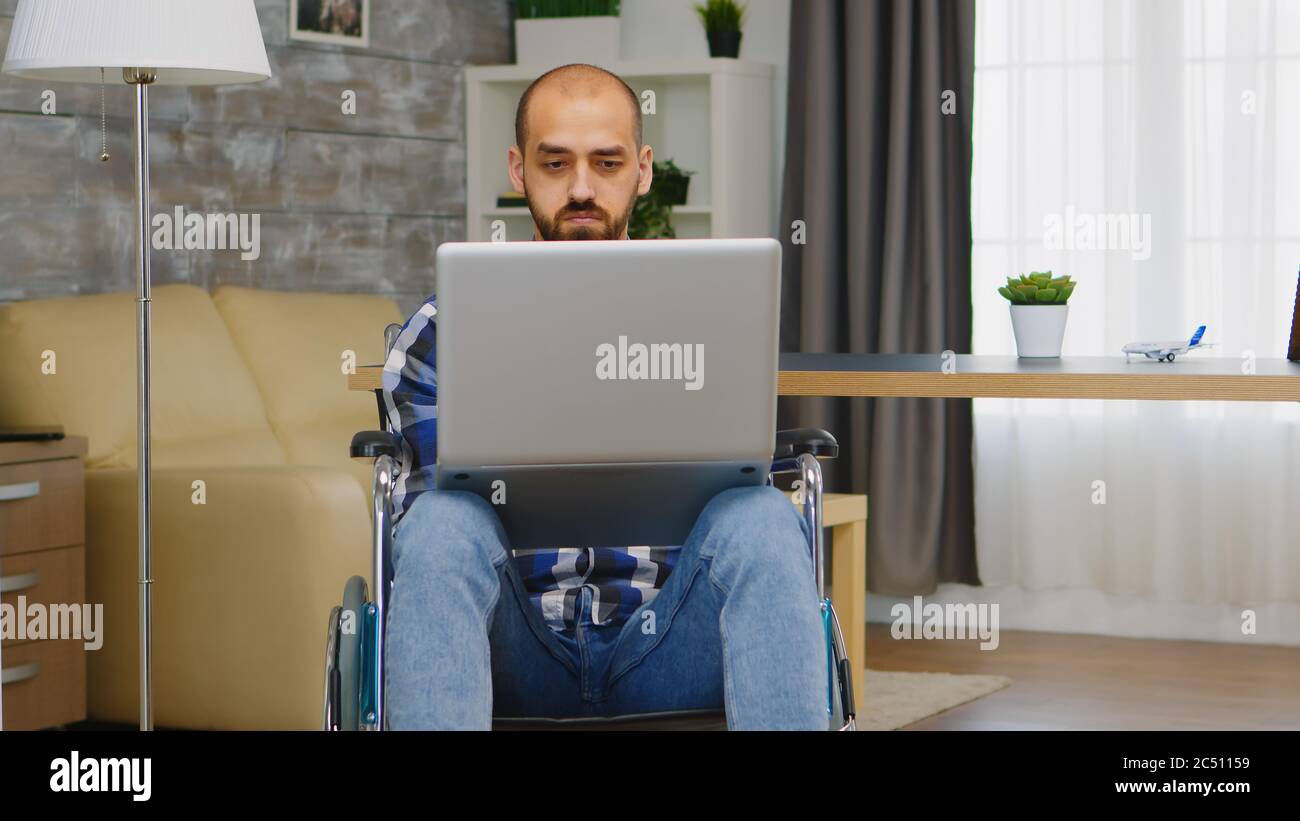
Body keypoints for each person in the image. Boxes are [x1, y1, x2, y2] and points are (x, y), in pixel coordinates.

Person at [382, 63, 827, 730]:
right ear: (517, 169)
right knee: (440, 524)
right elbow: (420, 541)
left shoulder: (708, 317)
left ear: (642, 170)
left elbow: (735, 492)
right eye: (555, 163)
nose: (582, 188)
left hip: (668, 639)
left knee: (762, 515)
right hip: (513, 649)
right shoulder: (438, 337)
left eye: (607, 162)